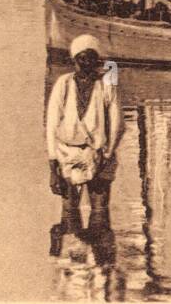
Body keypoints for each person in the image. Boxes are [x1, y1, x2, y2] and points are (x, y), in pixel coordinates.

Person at [46, 34, 123, 215]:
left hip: (100, 156)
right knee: (69, 213)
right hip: (67, 154)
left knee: (100, 213)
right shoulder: (63, 84)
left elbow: (117, 124)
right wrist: (52, 168)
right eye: (82, 59)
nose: (86, 64)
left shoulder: (107, 86)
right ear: (75, 60)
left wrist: (107, 153)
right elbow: (51, 126)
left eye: (91, 59)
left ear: (97, 61)